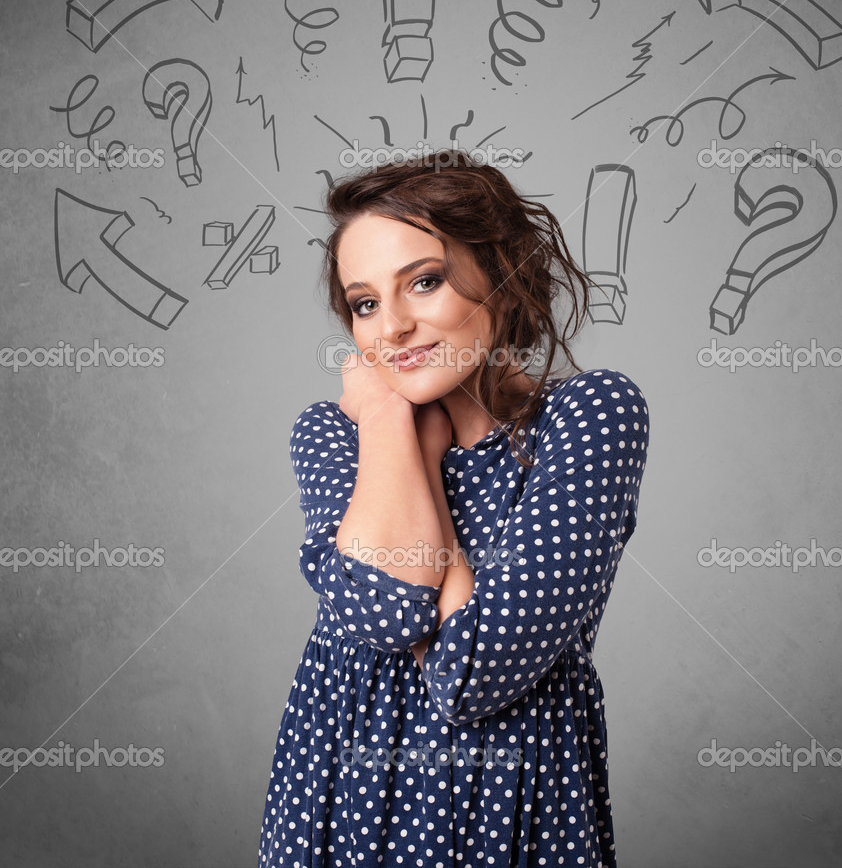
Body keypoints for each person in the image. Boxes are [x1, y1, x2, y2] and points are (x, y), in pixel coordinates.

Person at [257, 149, 650, 867]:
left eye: (425, 282)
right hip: (337, 798)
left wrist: (426, 464)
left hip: (509, 804)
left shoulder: (588, 415)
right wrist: (383, 424)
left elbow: (471, 674)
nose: (392, 327)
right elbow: (386, 612)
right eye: (365, 304)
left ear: (502, 281)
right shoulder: (335, 431)